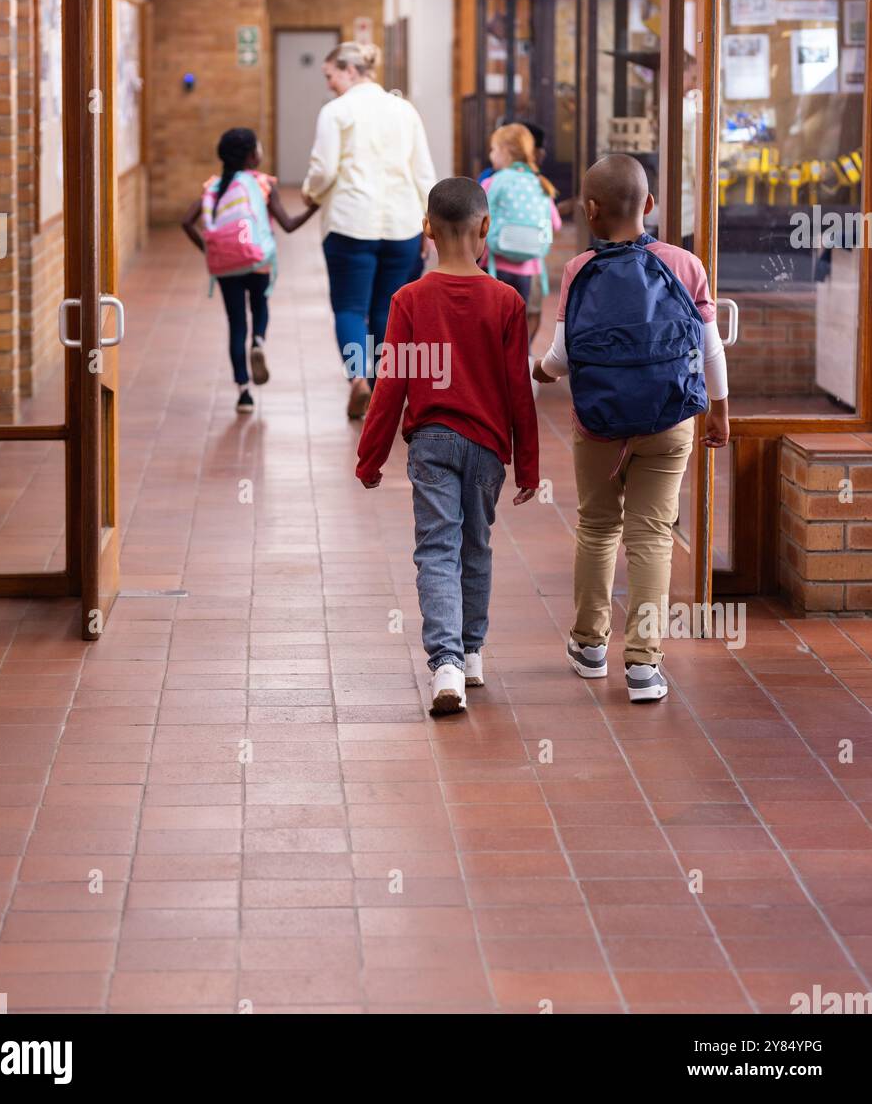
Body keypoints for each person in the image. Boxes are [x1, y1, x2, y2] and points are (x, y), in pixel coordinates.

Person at [533, 154, 730, 702]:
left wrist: (540, 372)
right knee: (652, 534)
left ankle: (589, 646)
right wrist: (719, 409)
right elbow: (709, 346)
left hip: (598, 425)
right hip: (670, 420)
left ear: (590, 212)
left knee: (598, 528)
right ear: (649, 205)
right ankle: (644, 665)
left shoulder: (578, 270)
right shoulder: (686, 264)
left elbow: (563, 356)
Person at [356, 178, 539, 716]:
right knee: (476, 547)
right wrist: (528, 463)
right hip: (486, 447)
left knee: (437, 548)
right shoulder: (507, 301)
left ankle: (447, 665)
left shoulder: (409, 299)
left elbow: (391, 383)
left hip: (431, 443)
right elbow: (517, 391)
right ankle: (473, 651)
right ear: (486, 229)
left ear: (427, 231)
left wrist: (370, 457)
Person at [302, 41, 437, 421]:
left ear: (348, 70)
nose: (328, 84)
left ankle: (357, 379)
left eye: (329, 75)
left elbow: (324, 170)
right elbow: (424, 172)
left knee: (349, 308)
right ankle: (383, 394)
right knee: (386, 311)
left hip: (349, 223)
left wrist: (310, 193)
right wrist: (430, 225)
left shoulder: (335, 112)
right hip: (402, 226)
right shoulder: (404, 110)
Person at [181, 127, 315, 414]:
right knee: (260, 306)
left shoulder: (214, 187)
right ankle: (259, 341)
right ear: (253, 156)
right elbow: (289, 225)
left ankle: (243, 393)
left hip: (227, 265)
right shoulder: (263, 184)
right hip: (258, 261)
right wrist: (314, 208)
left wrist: (210, 251)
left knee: (235, 322)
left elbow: (186, 221)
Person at [479, 122, 562, 308]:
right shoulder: (540, 183)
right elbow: (555, 224)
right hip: (528, 269)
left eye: (493, 149)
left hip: (494, 266)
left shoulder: (493, 181)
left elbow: (478, 218)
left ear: (505, 151)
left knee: (491, 323)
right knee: (515, 323)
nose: (491, 155)